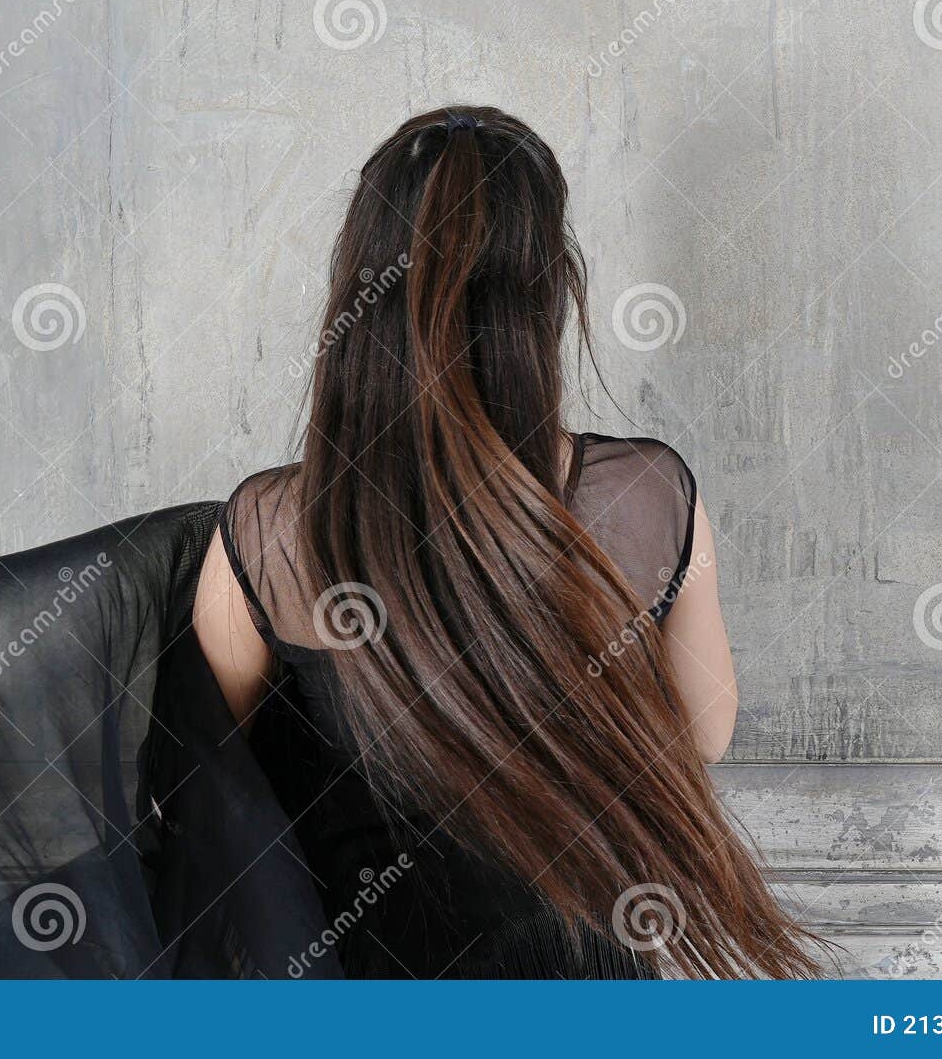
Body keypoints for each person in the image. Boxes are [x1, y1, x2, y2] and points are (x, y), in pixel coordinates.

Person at [193, 105, 820, 979]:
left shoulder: (267, 529)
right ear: (552, 287)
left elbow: (213, 785)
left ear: (359, 292)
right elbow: (705, 732)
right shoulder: (646, 497)